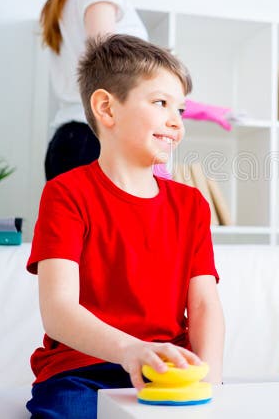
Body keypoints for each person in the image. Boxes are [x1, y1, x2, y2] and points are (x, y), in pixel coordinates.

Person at [26, 34, 225, 418]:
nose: (175, 121)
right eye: (160, 103)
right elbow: (58, 309)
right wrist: (129, 350)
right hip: (80, 371)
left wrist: (211, 384)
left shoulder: (191, 206)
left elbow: (203, 304)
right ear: (107, 108)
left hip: (166, 370)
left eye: (180, 110)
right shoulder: (65, 194)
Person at [40, 0, 231, 181]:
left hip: (75, 139)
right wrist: (173, 105)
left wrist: (172, 105)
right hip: (94, 143)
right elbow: (108, 60)